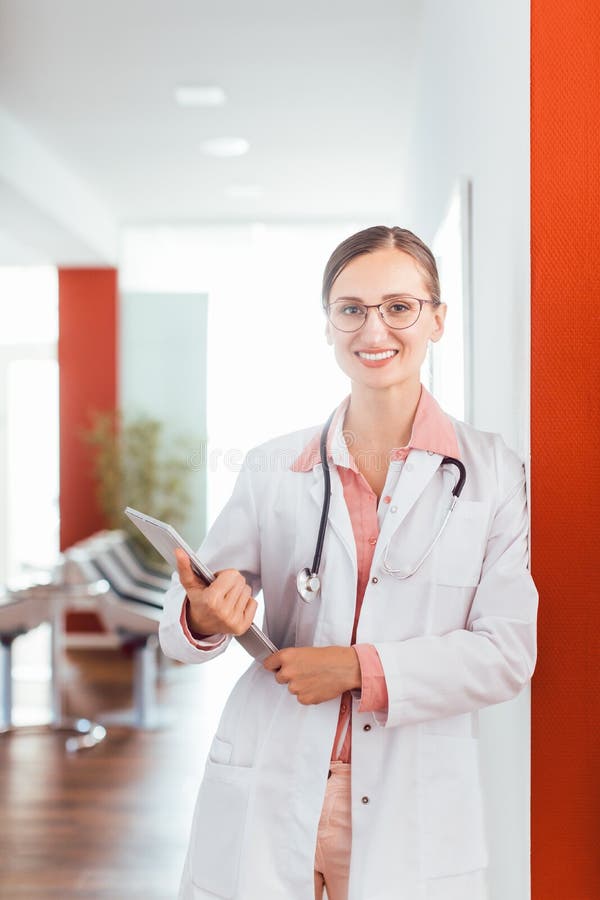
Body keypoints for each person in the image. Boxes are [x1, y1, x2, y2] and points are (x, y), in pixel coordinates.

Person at [159, 225, 538, 900]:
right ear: (328, 324)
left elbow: (507, 654)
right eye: (352, 309)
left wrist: (357, 668)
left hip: (410, 801)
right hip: (270, 782)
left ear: (437, 319)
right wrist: (205, 614)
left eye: (399, 306)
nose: (374, 329)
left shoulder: (493, 473)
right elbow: (185, 627)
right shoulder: (273, 466)